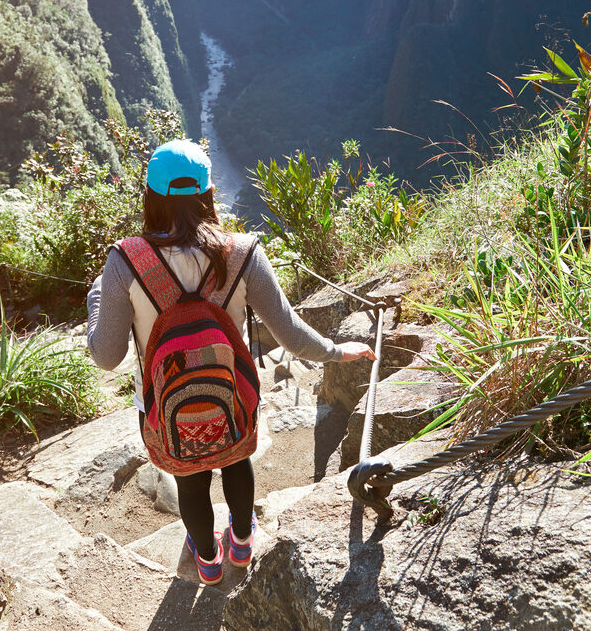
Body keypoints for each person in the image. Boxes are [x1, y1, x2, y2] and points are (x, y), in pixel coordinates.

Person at [86, 139, 375, 585]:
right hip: (235, 397)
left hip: (165, 409)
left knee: (190, 480)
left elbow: (107, 357)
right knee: (237, 461)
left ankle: (207, 560)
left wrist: (97, 299)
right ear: (208, 193)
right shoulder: (242, 252)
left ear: (150, 196)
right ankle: (242, 540)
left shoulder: (126, 260)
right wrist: (337, 351)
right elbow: (291, 333)